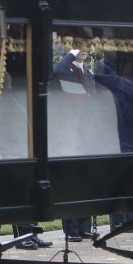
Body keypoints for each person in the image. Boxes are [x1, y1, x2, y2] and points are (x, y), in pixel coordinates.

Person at [53, 47, 100, 240]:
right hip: (70, 127)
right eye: (78, 47)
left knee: (86, 179)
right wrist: (71, 54)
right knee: (71, 181)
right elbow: (56, 70)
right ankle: (71, 229)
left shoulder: (87, 71)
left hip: (87, 127)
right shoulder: (65, 69)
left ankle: (84, 226)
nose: (83, 50)